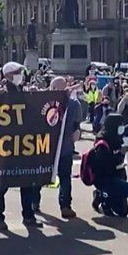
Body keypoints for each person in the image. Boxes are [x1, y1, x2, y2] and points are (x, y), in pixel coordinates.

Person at [0, 62, 43, 230]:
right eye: (17, 72)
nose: (21, 75)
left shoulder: (23, 91)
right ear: (8, 75)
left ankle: (28, 215)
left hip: (23, 145)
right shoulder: (2, 94)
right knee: (2, 184)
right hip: (6, 146)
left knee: (27, 182)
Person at [89, 114, 128, 217]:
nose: (122, 128)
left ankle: (108, 198)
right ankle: (102, 198)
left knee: (122, 212)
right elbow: (103, 167)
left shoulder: (117, 138)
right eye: (120, 125)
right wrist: (120, 154)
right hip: (104, 179)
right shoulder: (102, 144)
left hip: (117, 176)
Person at [50, 75, 80, 219]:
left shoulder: (47, 102)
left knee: (42, 176)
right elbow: (76, 130)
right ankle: (65, 205)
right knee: (64, 178)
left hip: (50, 148)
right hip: (64, 147)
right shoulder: (74, 104)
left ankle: (34, 204)